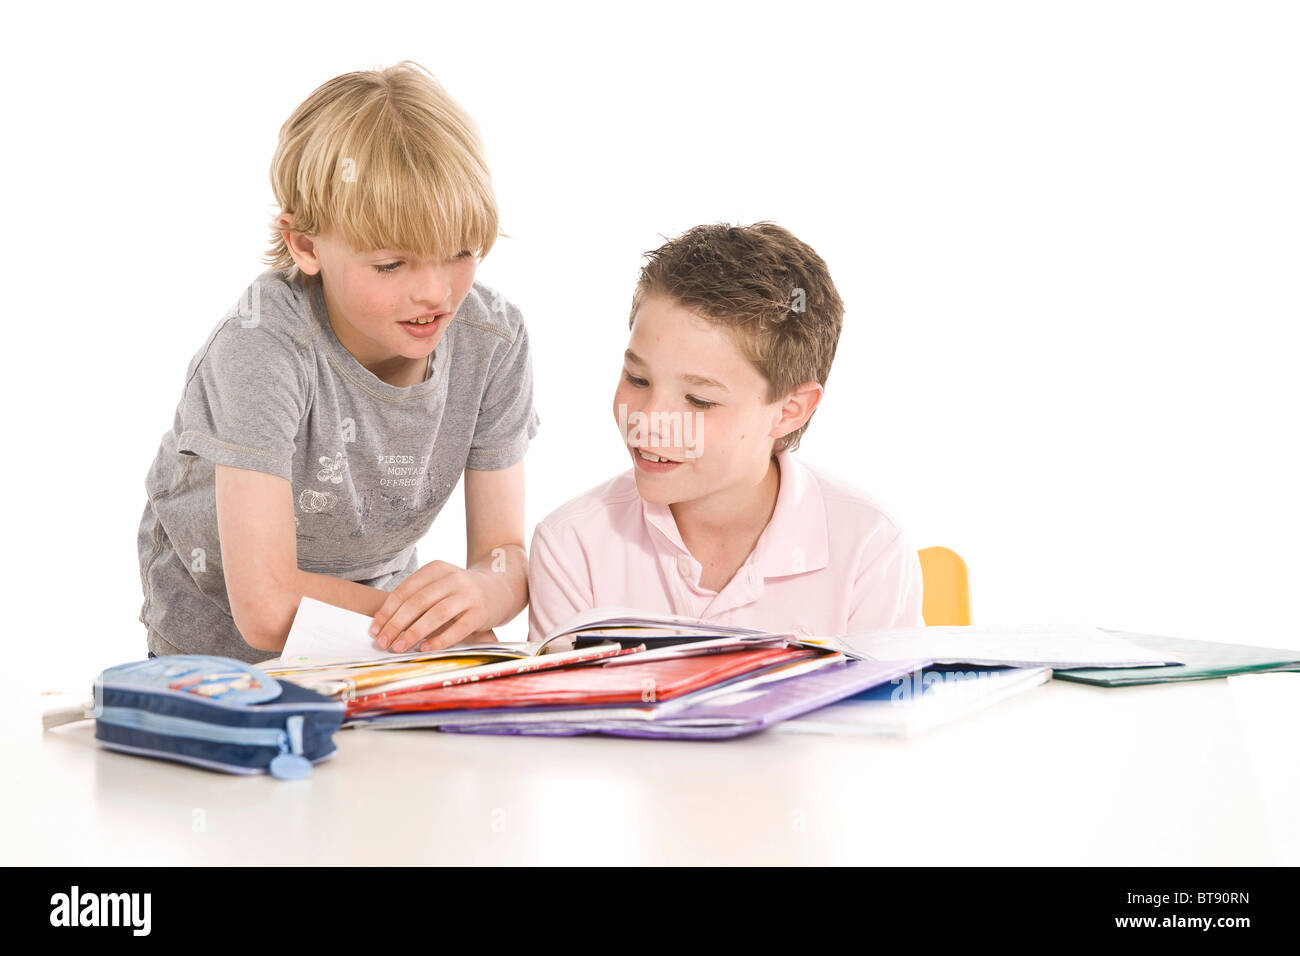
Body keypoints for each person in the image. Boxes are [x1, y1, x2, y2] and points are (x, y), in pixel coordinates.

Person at [138, 61, 538, 662]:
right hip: (220, 641)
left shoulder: (493, 341)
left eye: (459, 252)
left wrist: (482, 591)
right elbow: (269, 610)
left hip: (377, 626)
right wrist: (432, 626)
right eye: (390, 265)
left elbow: (503, 555)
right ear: (304, 244)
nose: (436, 293)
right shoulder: (264, 346)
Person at [527, 222, 922, 642]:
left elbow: (883, 706)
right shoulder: (572, 546)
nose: (647, 420)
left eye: (698, 401)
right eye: (638, 379)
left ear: (790, 410)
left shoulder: (868, 547)